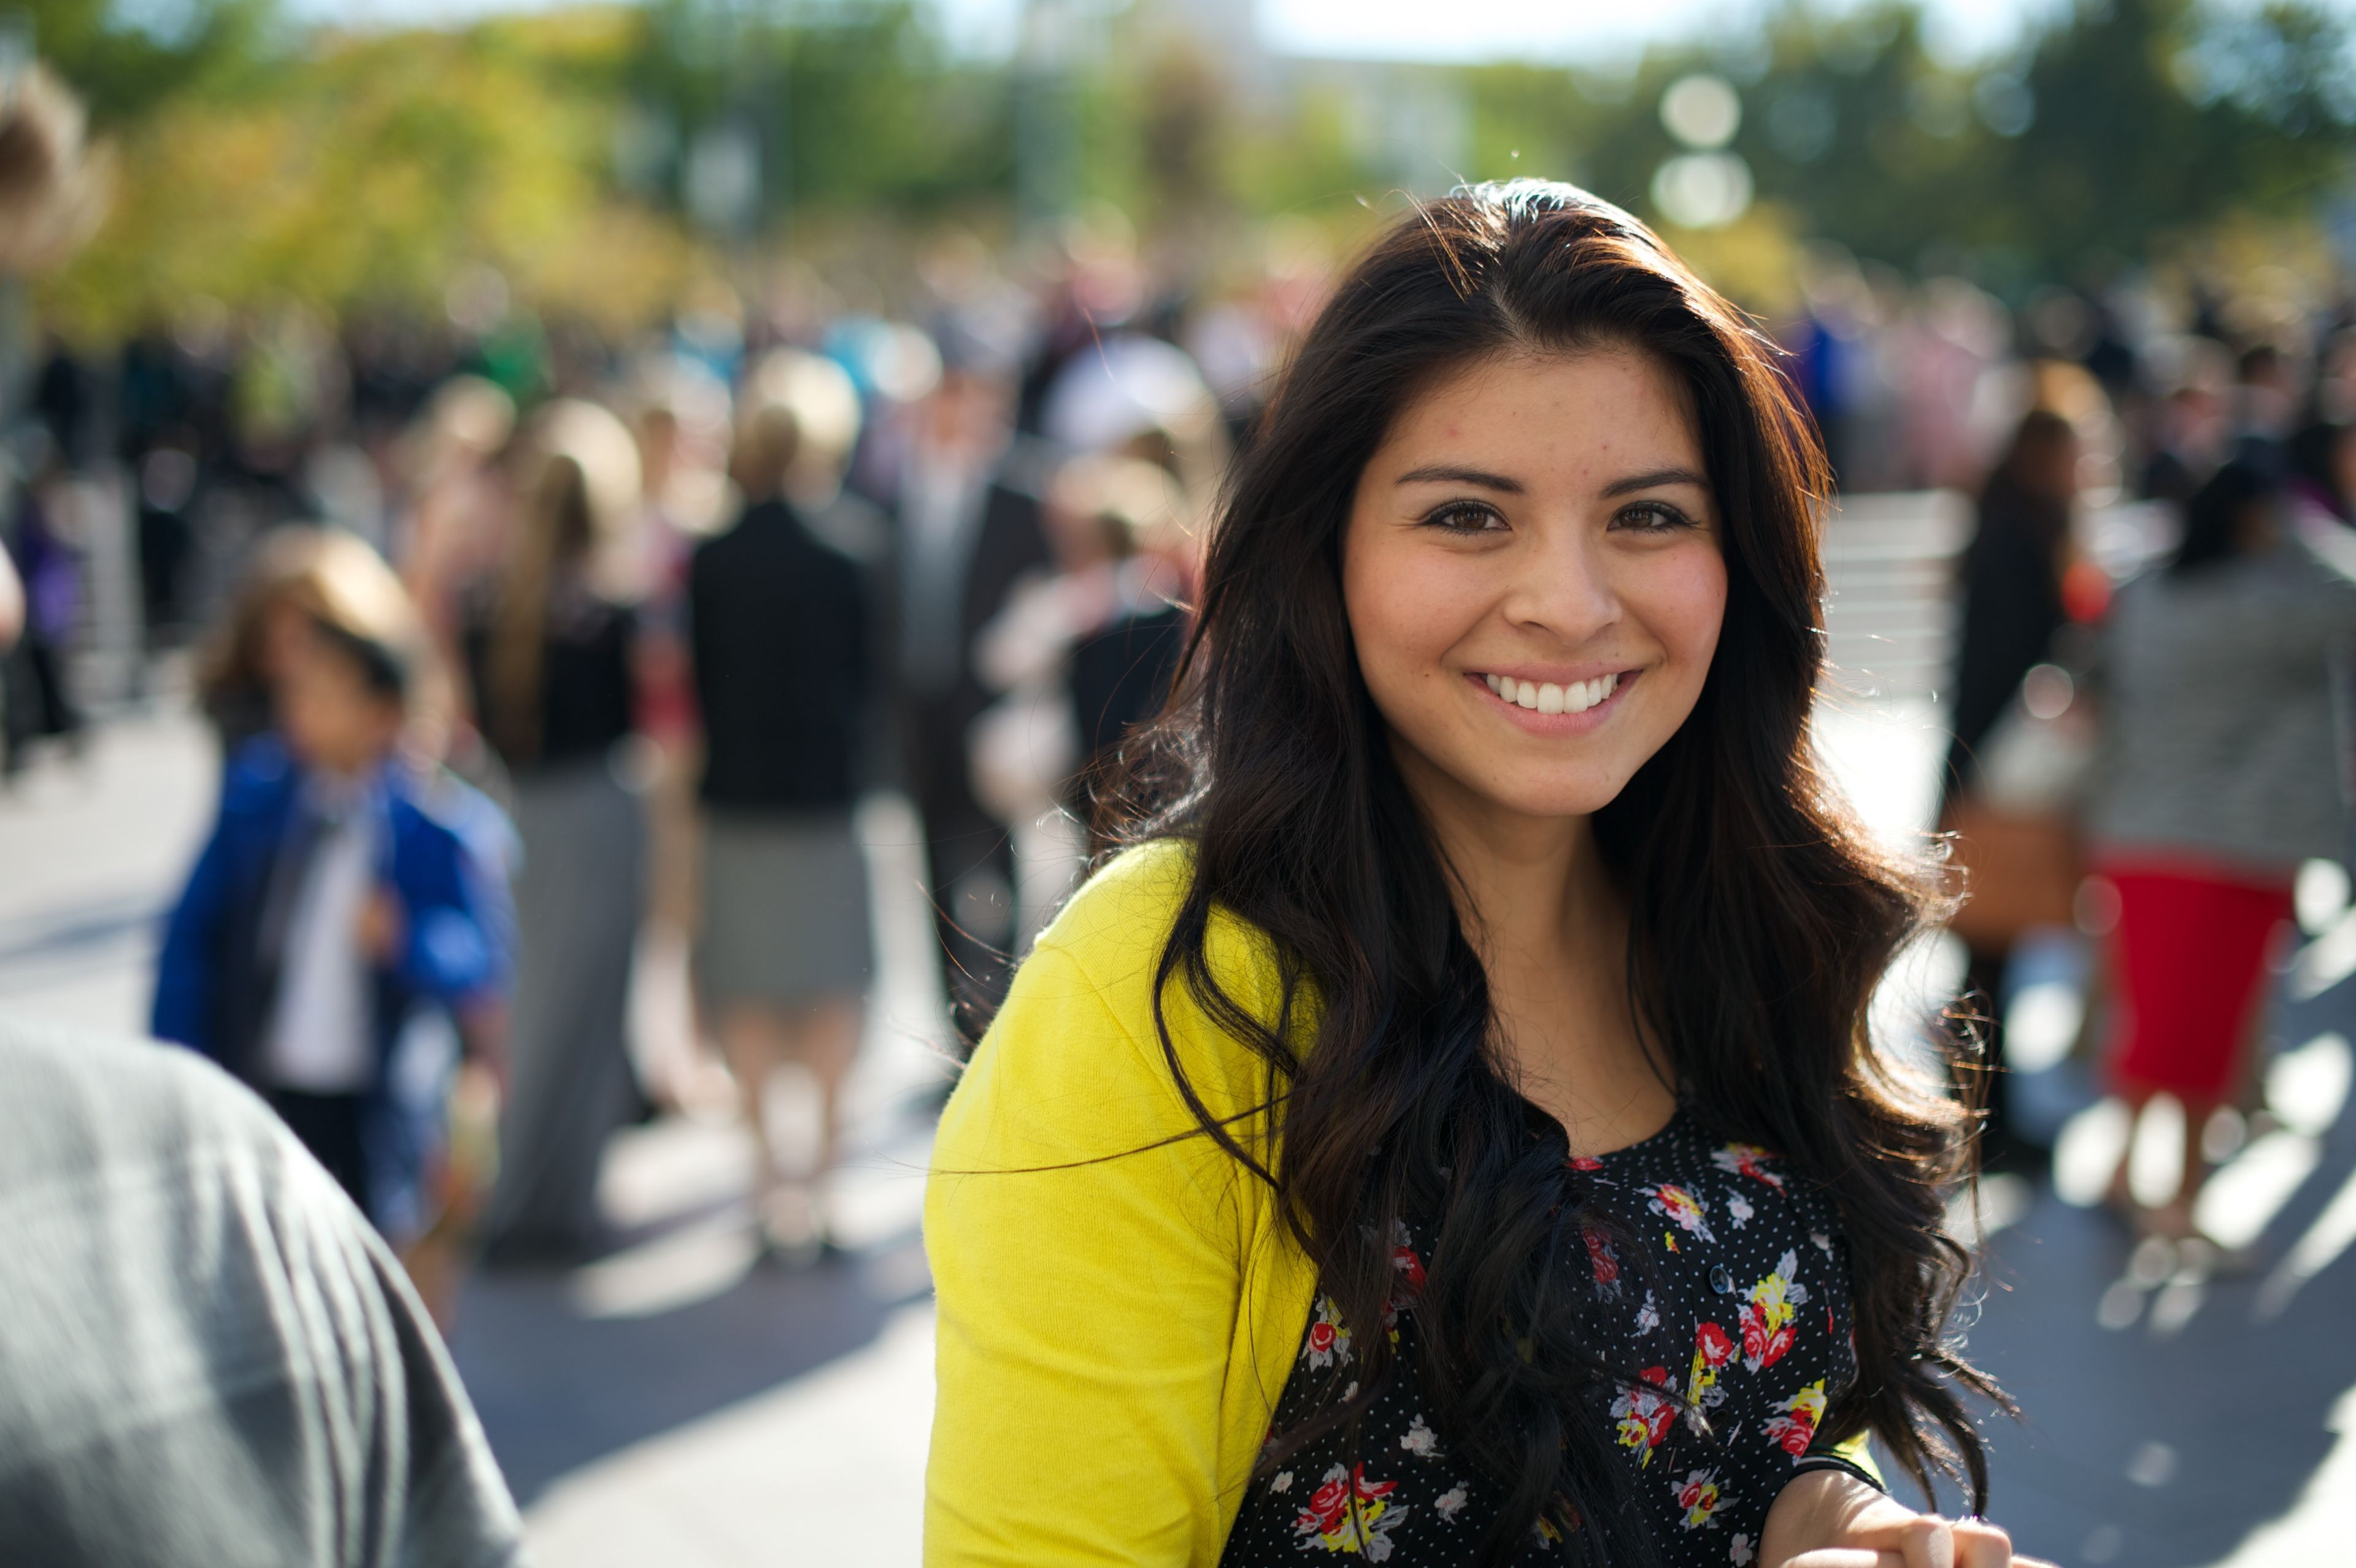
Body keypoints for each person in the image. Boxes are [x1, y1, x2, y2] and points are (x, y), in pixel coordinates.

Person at [926, 183, 2046, 1566]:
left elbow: (1713, 1425)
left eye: (1647, 517)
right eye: (1468, 517)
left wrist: (1824, 1509)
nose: (1570, 602)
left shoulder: (1739, 917)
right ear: (1324, 552)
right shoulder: (1164, 991)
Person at [0, 1011, 522, 1566]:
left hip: (381, 1117)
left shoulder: (236, 1176)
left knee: (408, 1261)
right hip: (289, 1101)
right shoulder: (235, 1169)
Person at [152, 595, 499, 1250]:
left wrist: (407, 939)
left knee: (372, 1257)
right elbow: (192, 939)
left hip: (376, 1097)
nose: (301, 709)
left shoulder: (431, 825)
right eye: (297, 690)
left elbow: (479, 959)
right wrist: (180, 1063)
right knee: (278, 1249)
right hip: (273, 1077)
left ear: (382, 715)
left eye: (327, 694)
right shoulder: (259, 801)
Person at [2088, 459, 2356, 1242]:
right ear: (2256, 519)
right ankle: (2181, 1200)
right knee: (2214, 1027)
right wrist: (2305, 531)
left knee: (2156, 1015)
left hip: (2137, 831)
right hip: (2244, 843)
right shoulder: (2282, 603)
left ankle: (2125, 1167)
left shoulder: (2146, 596)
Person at [689, 353, 874, 1260]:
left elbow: (695, 686)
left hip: (737, 799)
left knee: (751, 994)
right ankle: (825, 1189)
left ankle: (771, 1188)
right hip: (826, 800)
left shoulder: (709, 559)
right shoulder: (852, 551)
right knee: (837, 992)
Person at [465, 398, 648, 1264]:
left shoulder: (488, 603)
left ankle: (527, 1196)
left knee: (536, 1006)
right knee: (584, 1010)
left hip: (517, 811)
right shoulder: (612, 608)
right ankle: (554, 1202)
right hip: (597, 810)